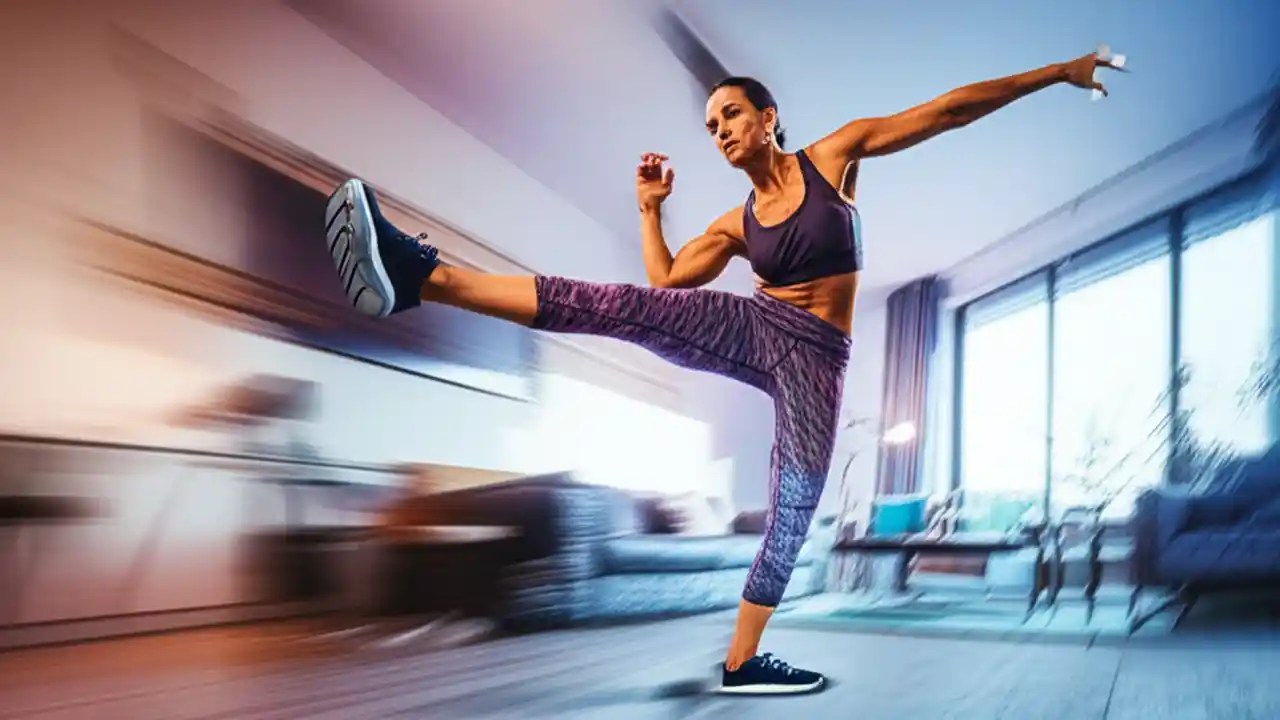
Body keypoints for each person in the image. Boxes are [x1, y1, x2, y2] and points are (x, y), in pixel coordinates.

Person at [321, 50, 1121, 694]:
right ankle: (423, 276)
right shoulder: (733, 224)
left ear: (768, 118)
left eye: (731, 114)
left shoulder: (833, 158)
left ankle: (742, 662)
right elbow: (668, 281)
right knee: (613, 303)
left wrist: (1054, 73)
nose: (720, 130)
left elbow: (942, 112)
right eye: (710, 125)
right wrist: (647, 208)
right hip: (755, 323)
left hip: (818, 355)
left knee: (794, 510)